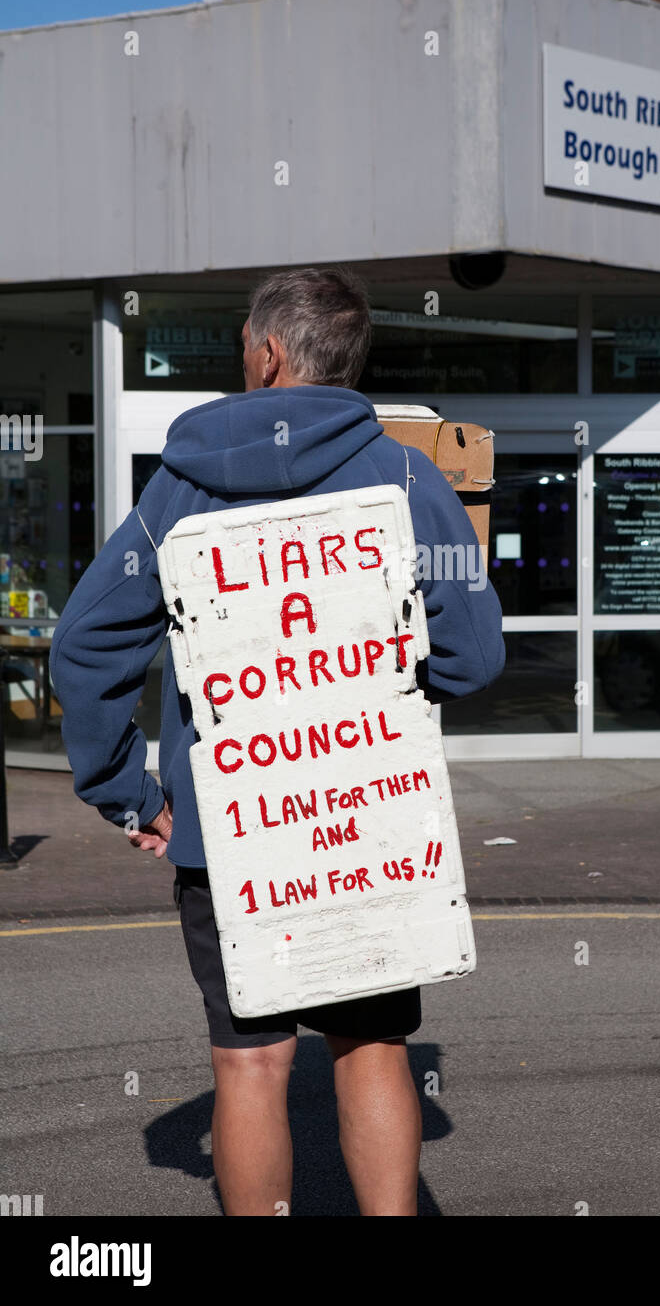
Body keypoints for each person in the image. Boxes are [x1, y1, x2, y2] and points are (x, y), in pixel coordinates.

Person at [49, 267, 505, 1217]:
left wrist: (129, 792)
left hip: (229, 827)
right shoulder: (409, 476)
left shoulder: (177, 490)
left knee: (250, 1065)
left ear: (265, 354)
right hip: (366, 828)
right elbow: (471, 656)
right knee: (373, 1051)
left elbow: (86, 644)